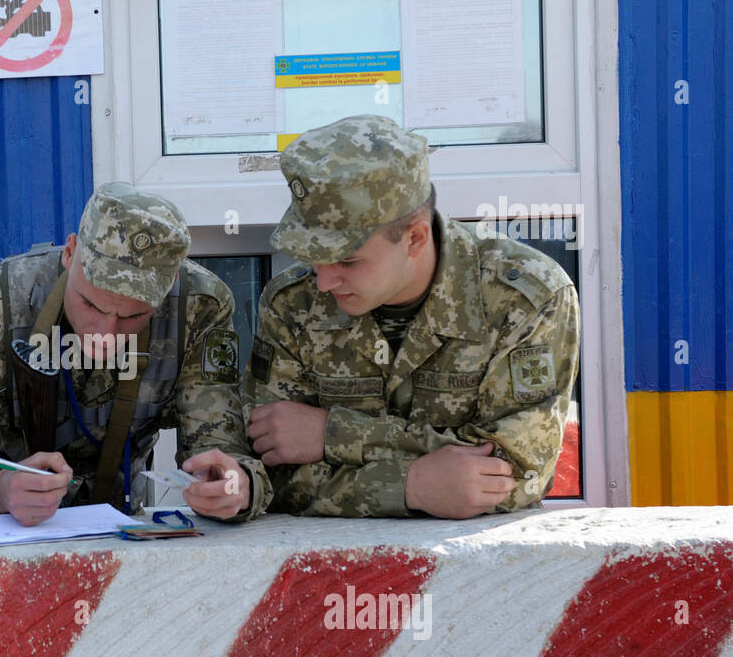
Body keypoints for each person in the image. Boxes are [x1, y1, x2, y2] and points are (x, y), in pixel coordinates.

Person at [243, 115, 580, 519]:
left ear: (415, 238)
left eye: (347, 260)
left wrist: (333, 435)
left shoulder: (524, 297)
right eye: (313, 257)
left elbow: (513, 473)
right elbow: (269, 476)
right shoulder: (291, 304)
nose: (323, 281)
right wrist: (412, 487)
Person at [0, 181, 271, 526]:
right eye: (91, 305)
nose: (105, 336)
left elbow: (221, 456)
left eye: (134, 316)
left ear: (171, 283)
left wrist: (238, 487)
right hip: (9, 539)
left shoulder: (197, 307)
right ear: (70, 252)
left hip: (125, 532)